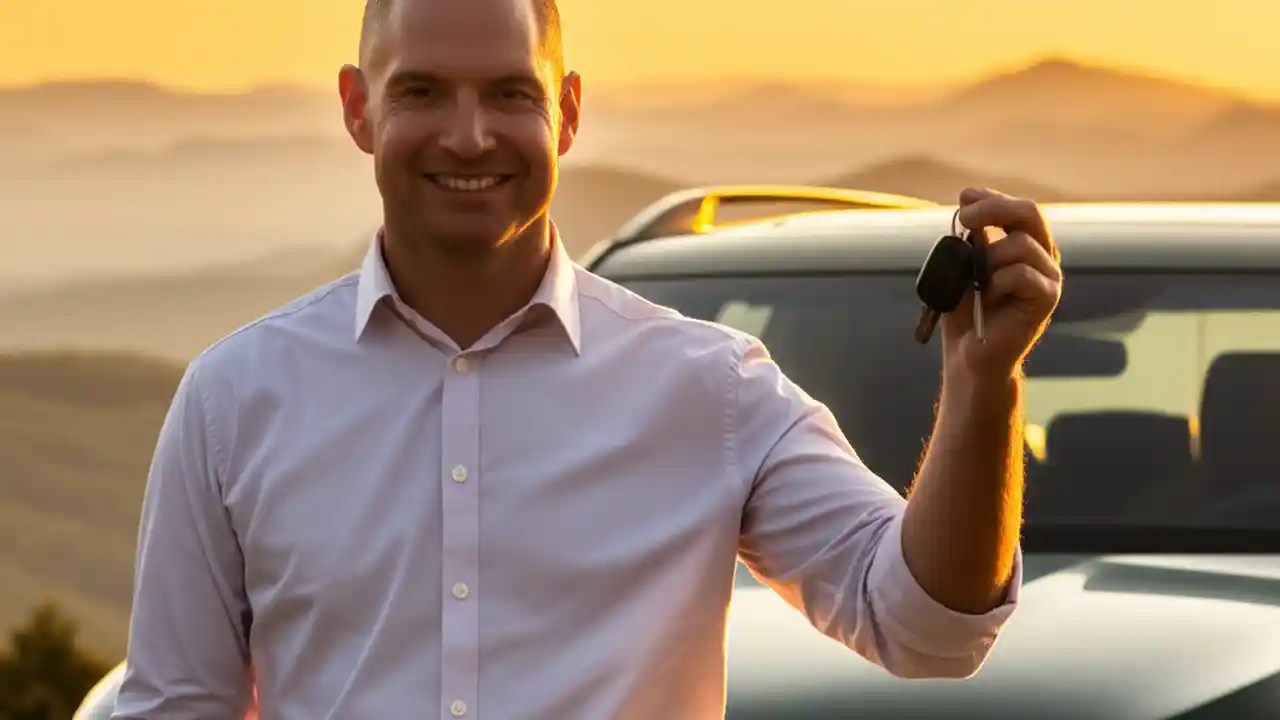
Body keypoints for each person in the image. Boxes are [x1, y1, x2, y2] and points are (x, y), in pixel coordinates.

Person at [110, 0, 1063, 717]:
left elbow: (925, 630)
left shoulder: (713, 390)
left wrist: (984, 387)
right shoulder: (234, 401)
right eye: (422, 92)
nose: (470, 134)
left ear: (566, 112)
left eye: (510, 93)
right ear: (359, 110)